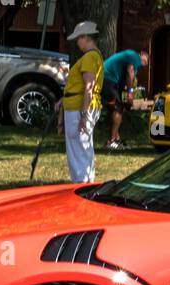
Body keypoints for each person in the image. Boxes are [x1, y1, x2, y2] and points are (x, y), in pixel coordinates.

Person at [62, 21, 104, 183]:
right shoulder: (95, 56)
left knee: (77, 150)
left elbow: (88, 87)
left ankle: (80, 185)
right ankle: (85, 183)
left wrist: (84, 115)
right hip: (81, 105)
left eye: (78, 39)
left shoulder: (89, 57)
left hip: (80, 108)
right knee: (83, 148)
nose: (77, 42)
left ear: (86, 37)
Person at [101, 49, 148, 150]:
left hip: (107, 79)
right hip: (107, 78)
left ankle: (116, 139)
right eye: (145, 61)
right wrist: (130, 93)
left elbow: (123, 83)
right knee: (117, 108)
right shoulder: (135, 56)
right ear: (142, 54)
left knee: (117, 108)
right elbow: (130, 72)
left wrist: (126, 100)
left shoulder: (129, 58)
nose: (143, 64)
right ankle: (112, 142)